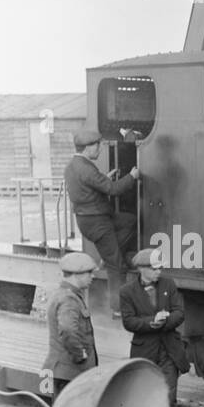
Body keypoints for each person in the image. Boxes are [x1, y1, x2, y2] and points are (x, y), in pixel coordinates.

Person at [120, 248, 189, 407]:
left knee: (170, 396)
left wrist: (165, 321)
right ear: (142, 269)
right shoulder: (127, 292)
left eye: (160, 268)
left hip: (169, 351)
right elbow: (129, 322)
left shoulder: (168, 285)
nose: (159, 272)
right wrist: (152, 322)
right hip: (145, 352)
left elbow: (180, 313)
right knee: (145, 396)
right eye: (155, 268)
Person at [65, 128, 138, 318]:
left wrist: (104, 177)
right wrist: (132, 177)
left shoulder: (73, 165)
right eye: (97, 146)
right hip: (98, 222)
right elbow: (113, 190)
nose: (99, 149)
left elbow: (89, 186)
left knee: (129, 220)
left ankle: (107, 255)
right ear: (88, 148)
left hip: (91, 220)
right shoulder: (87, 169)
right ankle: (118, 309)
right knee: (117, 265)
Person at [42, 252, 99, 401]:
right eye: (89, 273)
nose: (92, 277)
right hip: (69, 373)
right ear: (77, 274)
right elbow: (67, 330)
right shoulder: (69, 299)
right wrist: (80, 355)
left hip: (64, 371)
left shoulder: (63, 293)